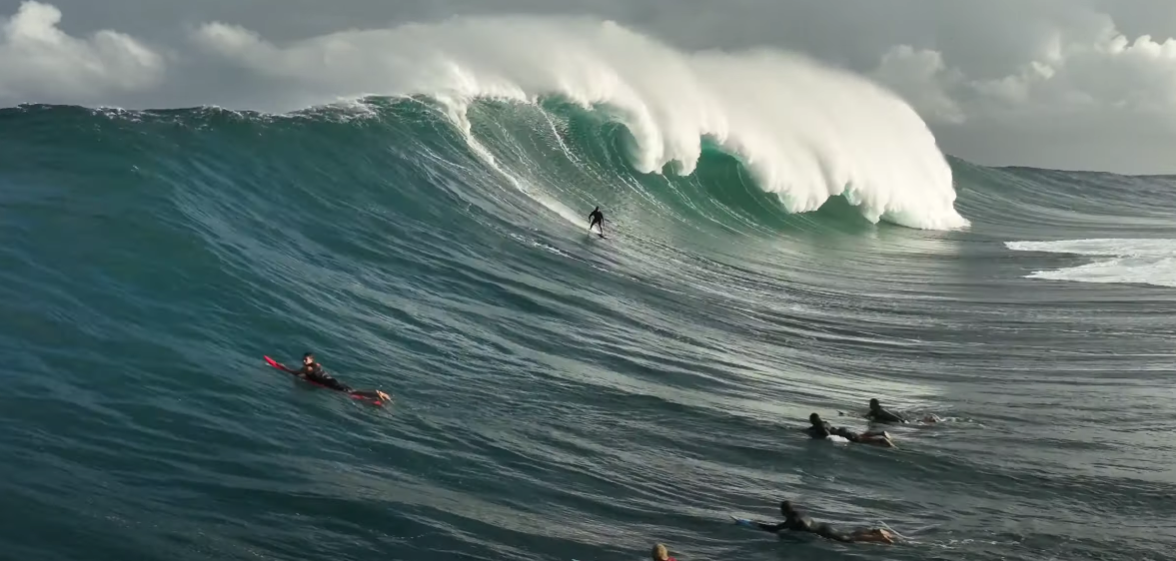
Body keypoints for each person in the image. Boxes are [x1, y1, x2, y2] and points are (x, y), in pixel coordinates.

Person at [751, 500, 895, 544]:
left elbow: (775, 529)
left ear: (784, 511)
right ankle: (873, 531)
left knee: (849, 539)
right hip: (825, 527)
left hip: (824, 532)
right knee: (849, 534)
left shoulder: (792, 520)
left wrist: (755, 524)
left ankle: (879, 538)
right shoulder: (800, 513)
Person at [286, 352, 390, 402]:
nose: (304, 361)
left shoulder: (306, 368)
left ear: (311, 360)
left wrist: (285, 368)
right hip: (332, 381)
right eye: (303, 359)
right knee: (352, 392)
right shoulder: (316, 365)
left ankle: (375, 393)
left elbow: (296, 373)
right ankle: (379, 396)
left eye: (306, 360)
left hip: (331, 384)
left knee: (352, 393)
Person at [806, 413, 893, 447]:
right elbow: (816, 428)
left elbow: (827, 434)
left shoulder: (820, 427)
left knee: (862, 440)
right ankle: (880, 433)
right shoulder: (824, 422)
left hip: (845, 435)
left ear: (813, 421)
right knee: (860, 436)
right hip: (844, 431)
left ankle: (882, 440)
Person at [865, 398, 938, 424]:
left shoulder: (879, 411)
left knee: (912, 423)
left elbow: (891, 416)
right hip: (899, 420)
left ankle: (928, 420)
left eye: (871, 404)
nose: (869, 405)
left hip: (898, 421)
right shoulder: (878, 410)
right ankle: (927, 420)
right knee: (912, 422)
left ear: (875, 404)